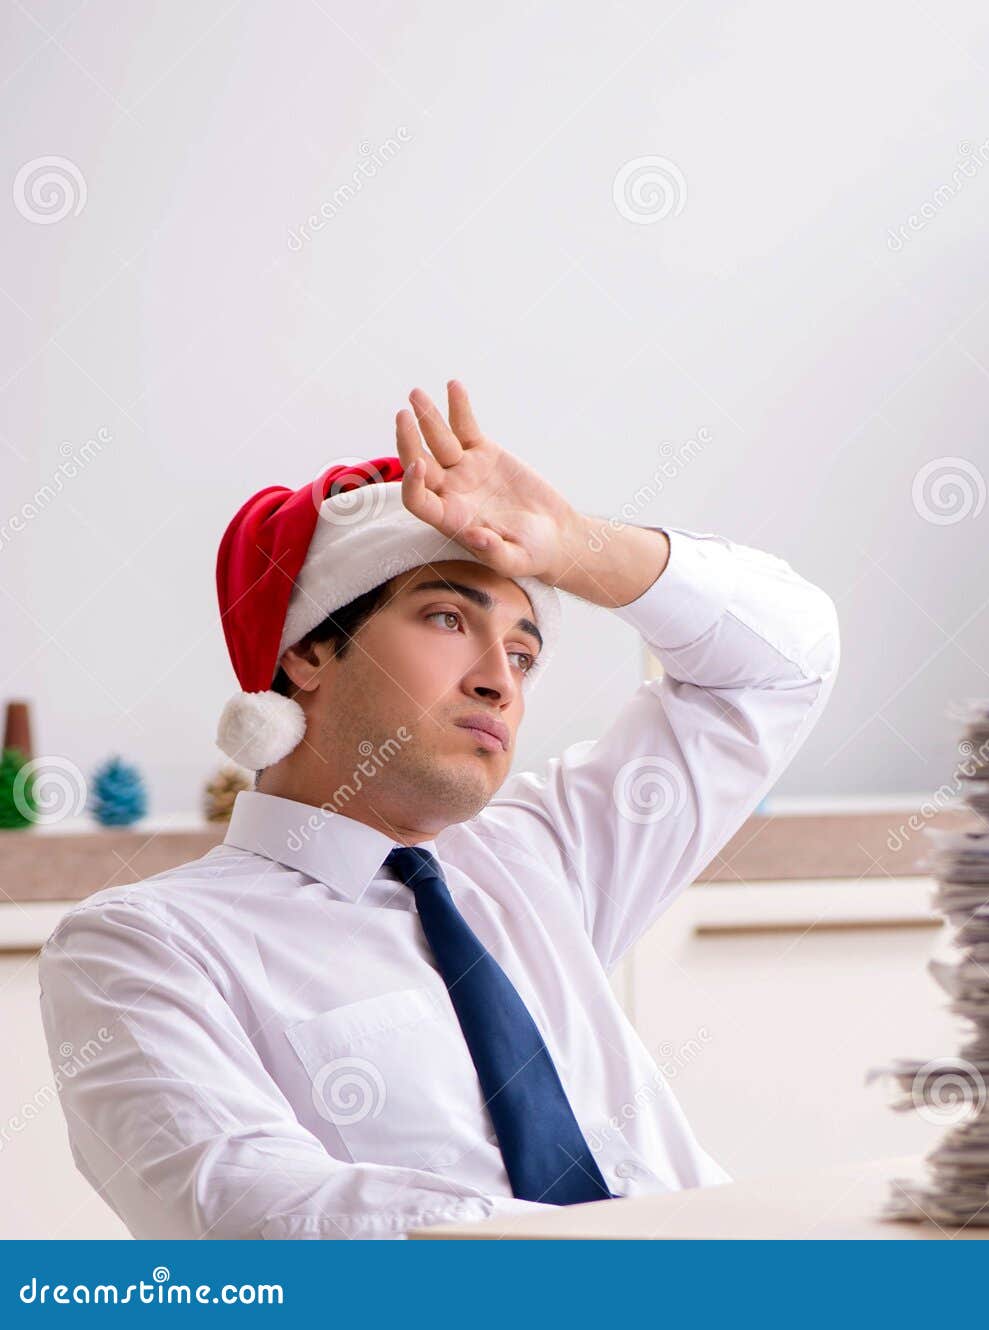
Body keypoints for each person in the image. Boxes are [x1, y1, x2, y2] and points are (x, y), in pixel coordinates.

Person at [37, 381, 840, 1239]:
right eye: (449, 618)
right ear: (308, 653)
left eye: (525, 654)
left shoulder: (546, 858)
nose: (500, 677)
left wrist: (576, 548)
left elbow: (783, 665)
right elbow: (244, 1208)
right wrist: (620, 1251)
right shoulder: (140, 947)